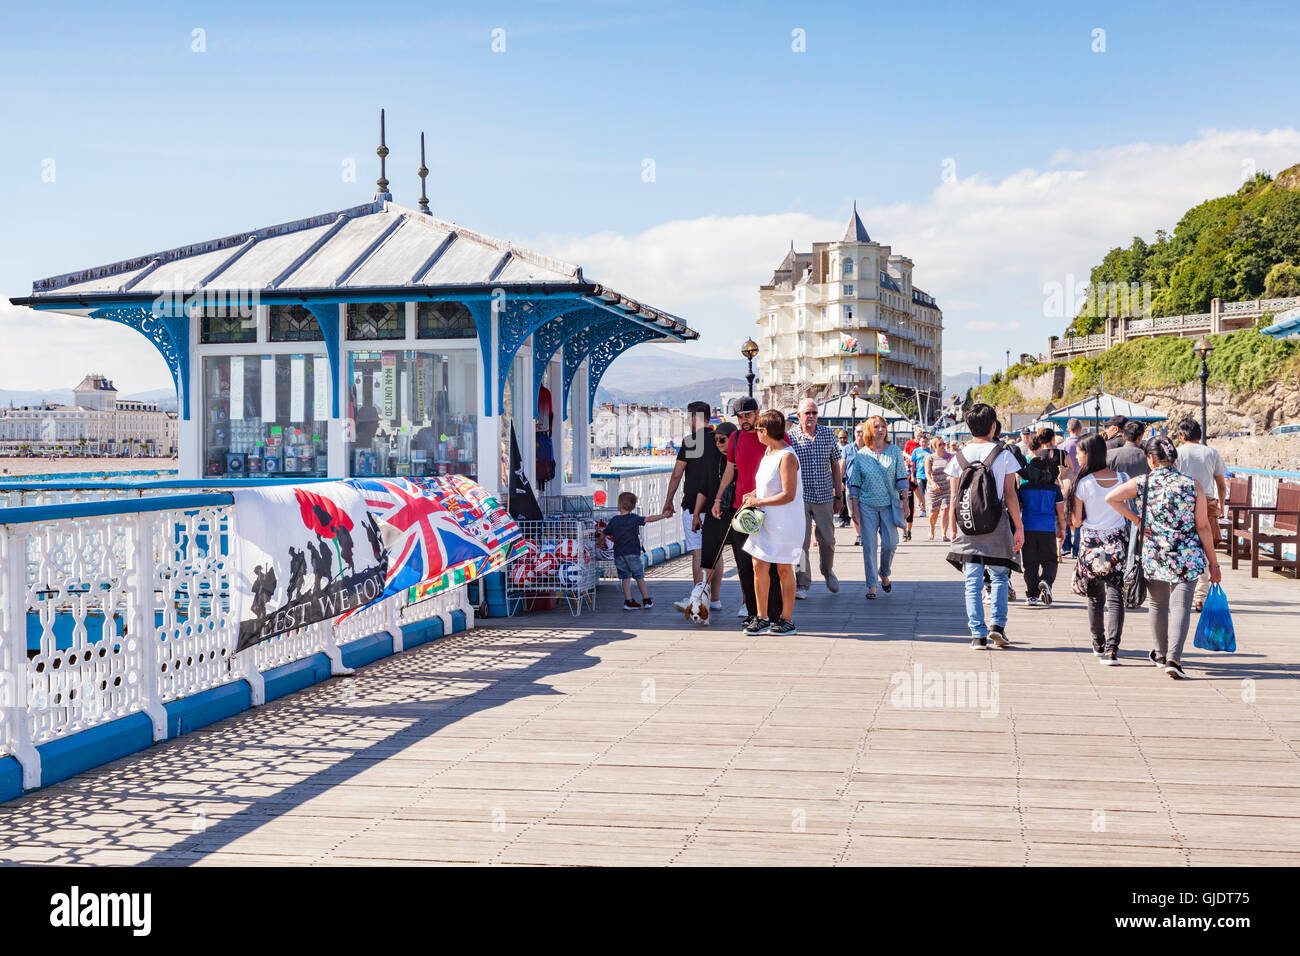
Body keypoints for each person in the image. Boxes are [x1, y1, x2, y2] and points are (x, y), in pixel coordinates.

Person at [1106, 436, 1221, 679]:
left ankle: (1159, 654)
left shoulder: (1143, 482)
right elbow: (1202, 526)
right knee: (1181, 605)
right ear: (1173, 459)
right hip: (1187, 555)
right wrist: (1213, 563)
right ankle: (1174, 658)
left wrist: (1137, 519)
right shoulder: (1192, 485)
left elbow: (1112, 498)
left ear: (1150, 459)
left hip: (1155, 552)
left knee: (1158, 604)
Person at [946, 403, 1024, 649]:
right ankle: (997, 627)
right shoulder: (1004, 454)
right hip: (997, 520)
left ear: (969, 427)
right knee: (1000, 575)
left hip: (967, 522)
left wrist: (951, 527)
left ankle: (977, 635)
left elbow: (954, 498)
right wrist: (1018, 527)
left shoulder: (959, 456)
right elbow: (1011, 495)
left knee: (972, 579)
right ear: (993, 426)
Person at [711, 397, 785, 630]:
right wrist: (718, 498)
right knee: (744, 565)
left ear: (757, 413)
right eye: (740, 417)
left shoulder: (771, 436)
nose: (744, 421)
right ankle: (754, 613)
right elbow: (730, 470)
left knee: (768, 564)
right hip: (741, 509)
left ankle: (773, 615)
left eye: (748, 415)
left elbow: (787, 467)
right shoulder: (734, 438)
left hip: (768, 507)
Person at [740, 410, 803, 636]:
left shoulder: (787, 456)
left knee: (784, 569)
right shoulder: (768, 453)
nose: (756, 433)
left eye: (758, 429)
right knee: (759, 565)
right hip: (765, 520)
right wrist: (755, 494)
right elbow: (770, 485)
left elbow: (789, 494)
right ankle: (762, 616)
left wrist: (760, 500)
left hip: (786, 522)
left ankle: (786, 619)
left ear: (764, 431)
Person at [1068, 434, 1129, 664]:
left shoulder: (1083, 483)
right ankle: (1112, 649)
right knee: (1115, 598)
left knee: (1095, 598)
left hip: (1093, 548)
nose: (1076, 455)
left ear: (1089, 454)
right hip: (1117, 545)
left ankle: (1099, 641)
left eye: (1079, 452)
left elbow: (1075, 521)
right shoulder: (1123, 478)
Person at [662, 401, 717, 611]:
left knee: (698, 552)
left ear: (695, 417)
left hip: (694, 503)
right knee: (716, 553)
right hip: (716, 504)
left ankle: (697, 599)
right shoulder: (718, 439)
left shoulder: (691, 441)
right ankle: (715, 598)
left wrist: (668, 500)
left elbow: (677, 475)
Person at [846, 415, 908, 599]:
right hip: (867, 505)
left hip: (889, 504)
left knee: (891, 543)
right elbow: (855, 484)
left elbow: (902, 478)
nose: (880, 430)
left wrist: (905, 502)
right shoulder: (861, 455)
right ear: (869, 431)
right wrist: (855, 508)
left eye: (882, 426)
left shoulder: (895, 451)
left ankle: (884, 572)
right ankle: (872, 584)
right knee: (869, 546)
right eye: (876, 427)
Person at [788, 398, 844, 599]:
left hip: (824, 494)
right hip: (799, 497)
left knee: (827, 540)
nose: (811, 417)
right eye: (807, 413)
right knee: (800, 543)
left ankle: (827, 570)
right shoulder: (790, 437)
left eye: (814, 413)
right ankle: (802, 582)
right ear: (799, 416)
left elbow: (835, 466)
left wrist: (839, 495)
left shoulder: (828, 434)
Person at [1174, 417, 1227, 610]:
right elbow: (1221, 485)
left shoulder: (1176, 453)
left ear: (1181, 435)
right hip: (1208, 504)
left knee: (1181, 546)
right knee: (1206, 549)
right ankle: (1200, 596)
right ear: (1199, 434)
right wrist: (1221, 506)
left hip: (1182, 505)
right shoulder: (1211, 453)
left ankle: (1180, 592)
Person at [695, 421, 737, 610]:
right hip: (714, 514)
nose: (718, 443)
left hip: (737, 513)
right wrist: (697, 514)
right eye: (716, 440)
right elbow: (703, 488)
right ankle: (701, 600)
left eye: (722, 439)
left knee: (743, 560)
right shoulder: (712, 460)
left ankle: (747, 604)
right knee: (708, 557)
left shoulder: (741, 460)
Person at [605, 490, 670, 610]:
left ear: (619, 506)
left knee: (625, 577)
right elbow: (649, 519)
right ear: (633, 506)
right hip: (632, 554)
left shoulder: (614, 520)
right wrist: (663, 515)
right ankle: (646, 600)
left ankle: (628, 601)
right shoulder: (634, 518)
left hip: (619, 554)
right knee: (639, 576)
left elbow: (604, 533)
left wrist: (599, 543)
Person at [1018, 456, 1065, 607]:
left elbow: (1017, 508)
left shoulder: (1023, 489)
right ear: (1046, 470)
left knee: (1030, 564)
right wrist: (1062, 528)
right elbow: (1060, 512)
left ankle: (1032, 596)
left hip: (1028, 528)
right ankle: (1045, 580)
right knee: (1050, 561)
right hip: (1047, 529)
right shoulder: (1054, 489)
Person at [1059, 418, 1084, 559]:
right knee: (1080, 515)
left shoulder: (1062, 446)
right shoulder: (1084, 445)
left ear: (1068, 430)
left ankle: (1066, 545)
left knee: (1065, 513)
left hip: (1067, 483)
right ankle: (1077, 549)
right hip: (1082, 481)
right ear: (1080, 429)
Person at [923, 436, 953, 541]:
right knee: (933, 513)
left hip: (946, 487)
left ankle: (944, 534)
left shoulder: (949, 457)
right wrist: (932, 483)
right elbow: (927, 473)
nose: (942, 446)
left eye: (943, 444)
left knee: (945, 509)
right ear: (934, 446)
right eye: (940, 445)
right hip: (934, 488)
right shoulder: (930, 458)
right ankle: (932, 529)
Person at [836, 429, 856, 527]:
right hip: (838, 475)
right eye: (840, 438)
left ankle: (848, 518)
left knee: (848, 498)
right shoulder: (835, 447)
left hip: (848, 476)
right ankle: (841, 518)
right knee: (840, 496)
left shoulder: (851, 448)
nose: (842, 439)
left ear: (848, 437)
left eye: (844, 437)